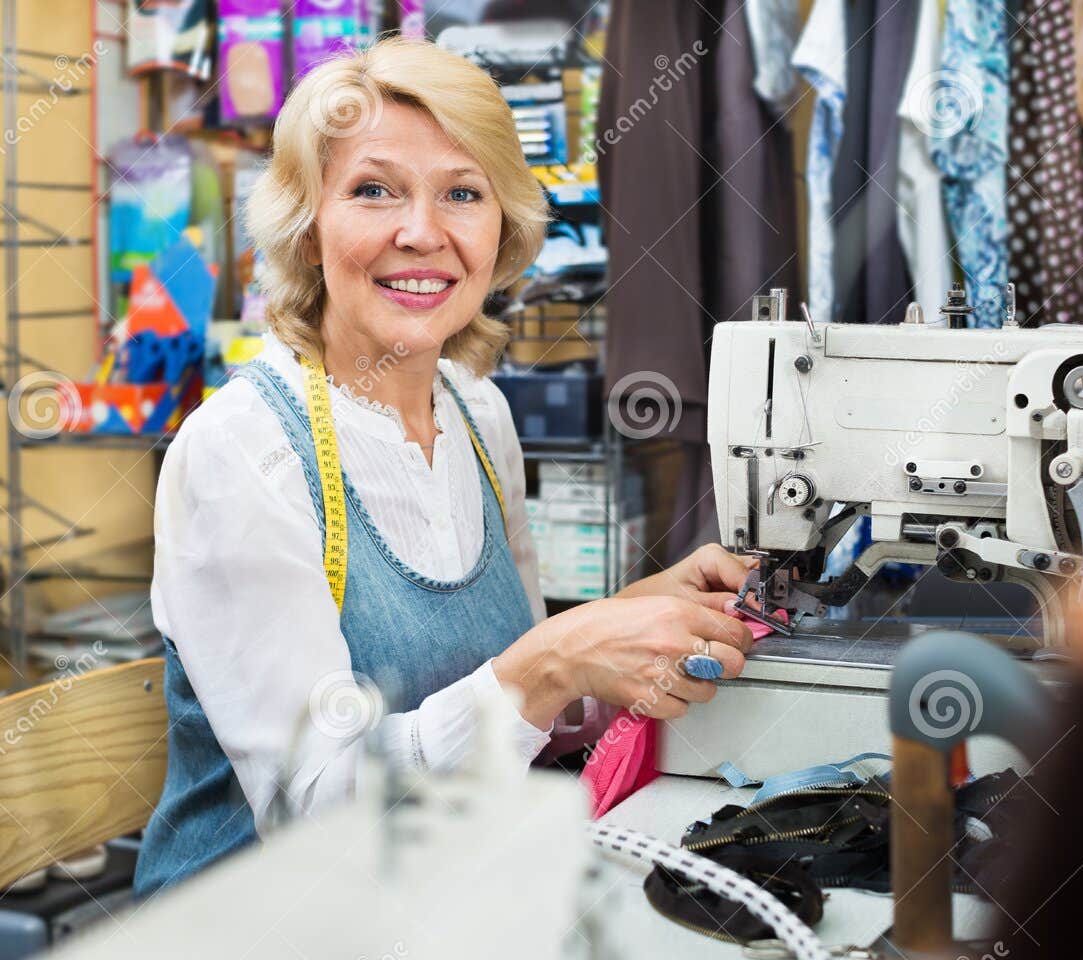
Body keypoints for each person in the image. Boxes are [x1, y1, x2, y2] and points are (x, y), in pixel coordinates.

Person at [135, 37, 755, 897]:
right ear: (308, 229)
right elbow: (318, 809)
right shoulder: (242, 451)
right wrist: (555, 658)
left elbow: (521, 711)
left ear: (502, 231)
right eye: (373, 190)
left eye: (463, 193)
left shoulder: (476, 411)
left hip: (442, 898)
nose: (421, 233)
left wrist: (631, 621)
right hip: (259, 954)